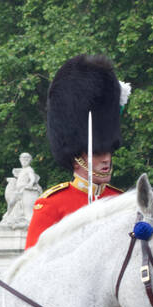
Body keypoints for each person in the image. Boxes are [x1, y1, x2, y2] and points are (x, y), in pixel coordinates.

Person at [24, 54, 128, 249]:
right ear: (77, 156)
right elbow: (32, 270)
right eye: (97, 153)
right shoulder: (52, 206)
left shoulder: (123, 202)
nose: (106, 159)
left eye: (108, 152)